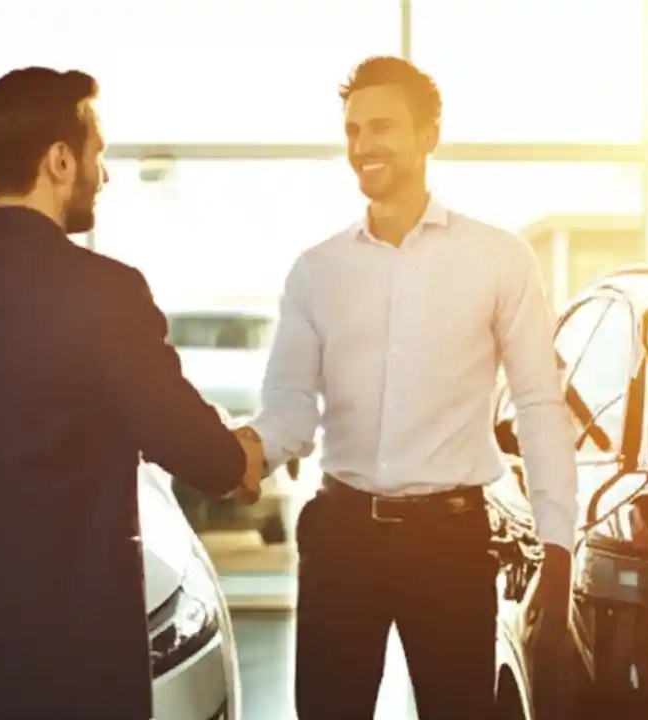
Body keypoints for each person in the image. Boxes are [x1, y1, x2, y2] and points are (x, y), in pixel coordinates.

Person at [0, 66, 264, 720]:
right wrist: (243, 454)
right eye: (97, 153)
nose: (103, 175)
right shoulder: (104, 293)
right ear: (59, 160)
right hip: (70, 669)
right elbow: (197, 451)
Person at [235, 56, 578, 719]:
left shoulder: (498, 257)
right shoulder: (316, 271)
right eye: (353, 130)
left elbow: (538, 402)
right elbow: (290, 410)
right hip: (341, 538)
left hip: (450, 545)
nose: (362, 147)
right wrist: (243, 449)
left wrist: (557, 544)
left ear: (429, 135)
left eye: (382, 127)